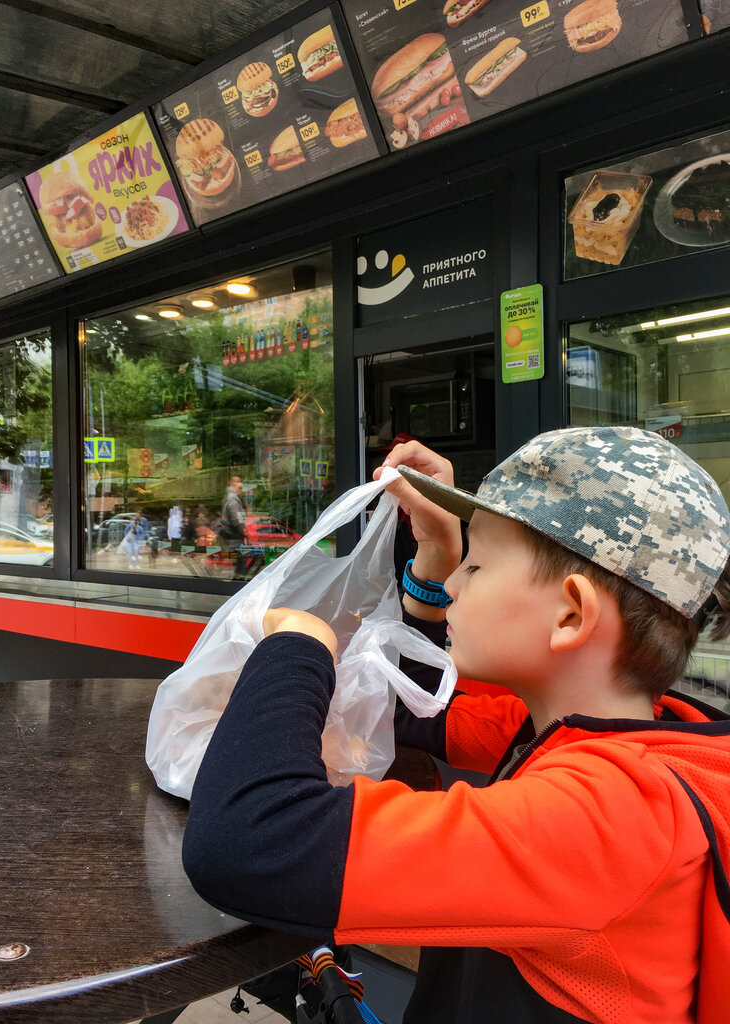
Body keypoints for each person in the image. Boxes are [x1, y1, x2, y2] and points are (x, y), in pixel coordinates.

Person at [182, 427, 730, 1024]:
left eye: (477, 564)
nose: (452, 586)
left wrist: (297, 645)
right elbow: (410, 709)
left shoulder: (616, 817)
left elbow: (252, 841)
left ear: (571, 613)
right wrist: (434, 556)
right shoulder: (593, 731)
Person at [221, 473, 247, 577]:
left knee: (238, 569)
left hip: (232, 542)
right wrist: (245, 534)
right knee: (240, 570)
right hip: (235, 543)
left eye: (240, 482)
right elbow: (238, 521)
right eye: (237, 482)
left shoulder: (230, 499)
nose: (240, 485)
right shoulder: (233, 501)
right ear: (231, 484)